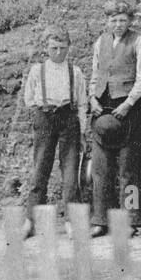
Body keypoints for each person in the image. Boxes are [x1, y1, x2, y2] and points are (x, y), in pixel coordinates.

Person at [87, 0, 141, 238]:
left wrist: (128, 103)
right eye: (113, 20)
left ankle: (131, 220)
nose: (118, 24)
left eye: (122, 19)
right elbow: (95, 74)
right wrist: (93, 98)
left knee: (128, 170)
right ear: (107, 21)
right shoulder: (100, 42)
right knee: (101, 170)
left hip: (128, 111)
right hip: (102, 109)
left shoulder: (139, 41)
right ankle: (100, 220)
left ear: (130, 20)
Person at [22, 25, 89, 239]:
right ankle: (31, 221)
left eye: (62, 48)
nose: (58, 52)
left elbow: (81, 103)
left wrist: (82, 130)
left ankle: (72, 221)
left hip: (68, 119)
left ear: (69, 47)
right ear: (46, 48)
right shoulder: (37, 70)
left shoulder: (75, 72)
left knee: (70, 172)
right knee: (40, 168)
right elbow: (29, 99)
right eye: (53, 48)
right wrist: (42, 112)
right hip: (45, 118)